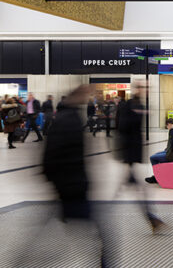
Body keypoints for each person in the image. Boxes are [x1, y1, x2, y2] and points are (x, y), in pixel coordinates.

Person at [42, 85, 114, 267]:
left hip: (68, 185)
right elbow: (56, 154)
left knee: (50, 232)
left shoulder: (66, 116)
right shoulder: (69, 119)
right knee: (99, 233)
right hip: (72, 186)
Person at [115, 81, 165, 233]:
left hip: (132, 153)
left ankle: (152, 218)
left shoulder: (139, 105)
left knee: (135, 187)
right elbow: (122, 126)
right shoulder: (130, 105)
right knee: (137, 188)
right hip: (129, 152)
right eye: (144, 88)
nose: (147, 91)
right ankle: (152, 218)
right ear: (137, 89)